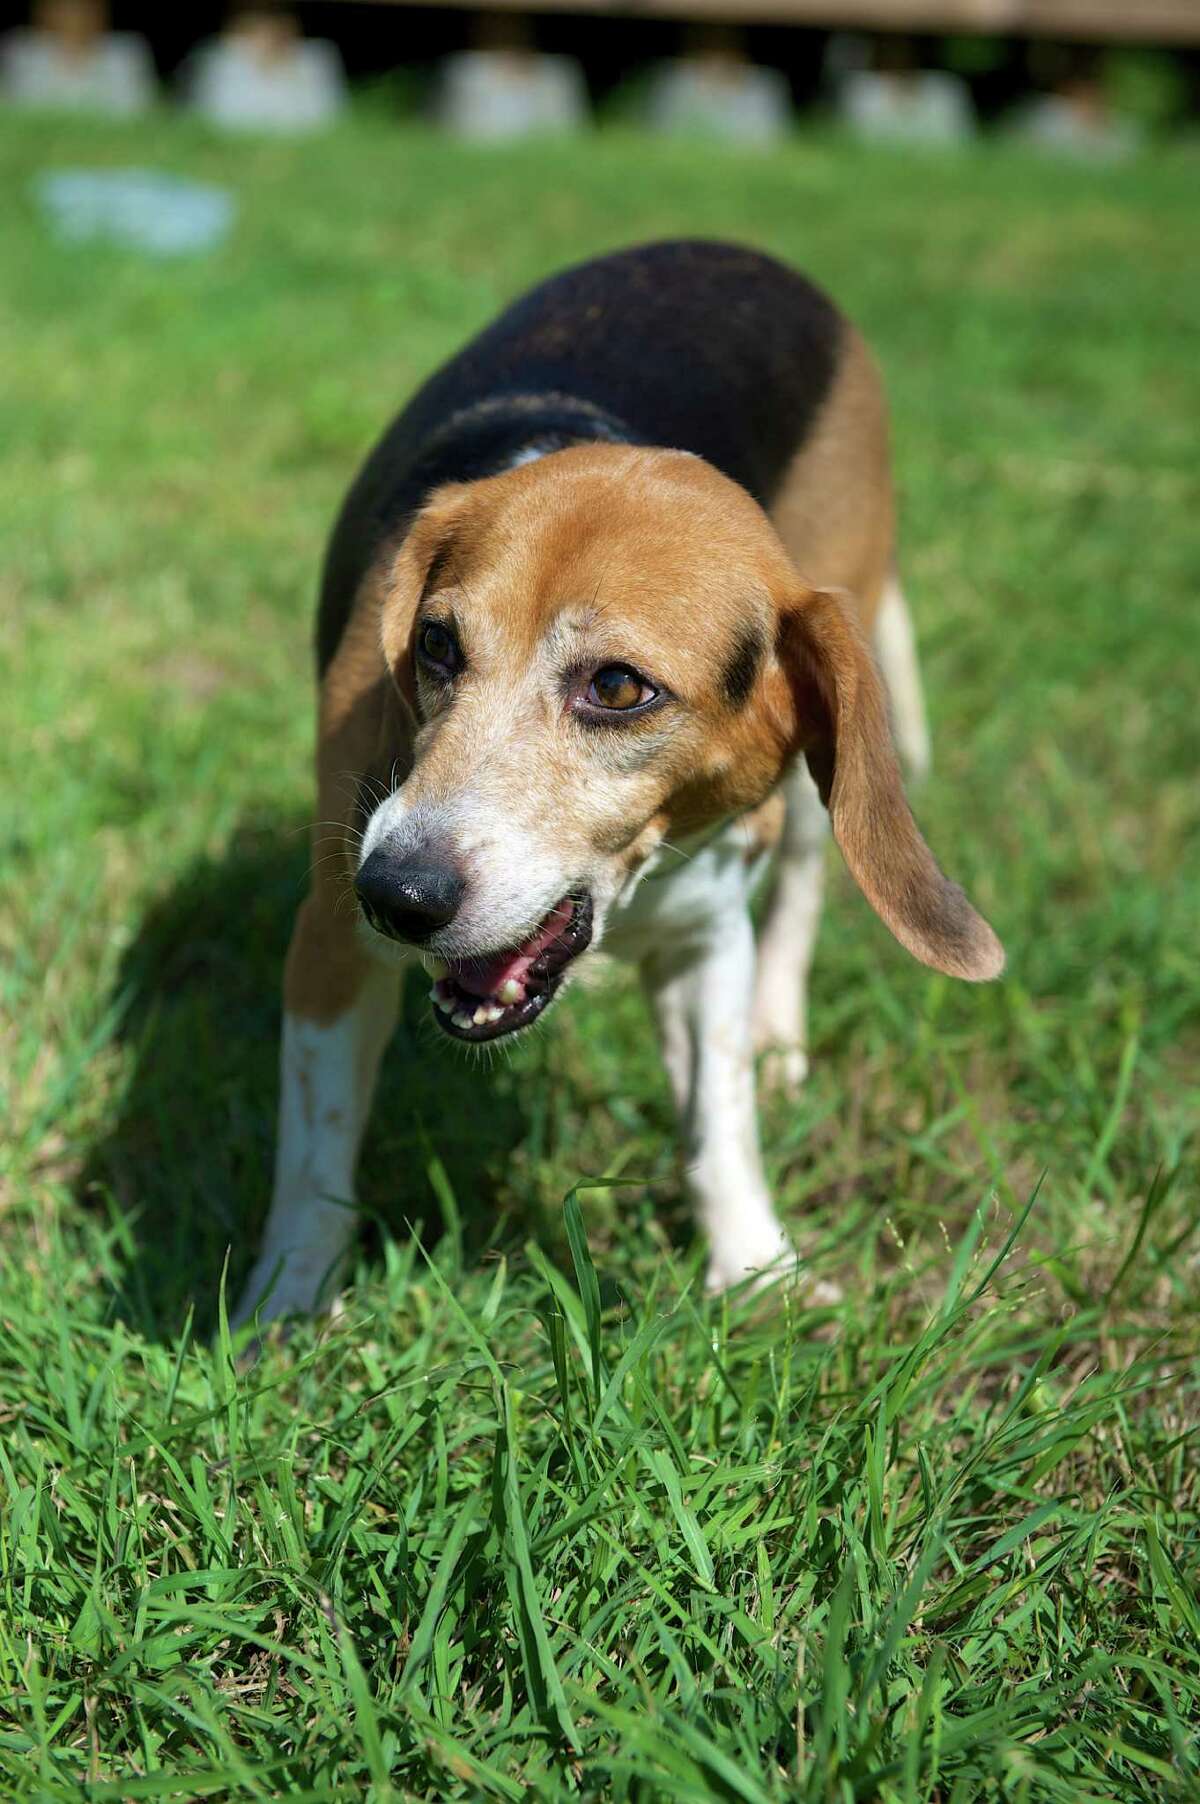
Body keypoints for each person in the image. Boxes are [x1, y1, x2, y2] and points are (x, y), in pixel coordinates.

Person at [184, 1, 346, 134]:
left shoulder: (314, 58)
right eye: (258, 23)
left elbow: (326, 120)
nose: (272, 33)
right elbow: (222, 121)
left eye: (278, 19)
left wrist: (283, 70)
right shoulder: (218, 60)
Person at [1, 0, 155, 115]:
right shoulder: (22, 52)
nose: (75, 16)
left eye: (84, 8)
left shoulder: (125, 53)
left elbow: (138, 112)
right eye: (63, 9)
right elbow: (16, 110)